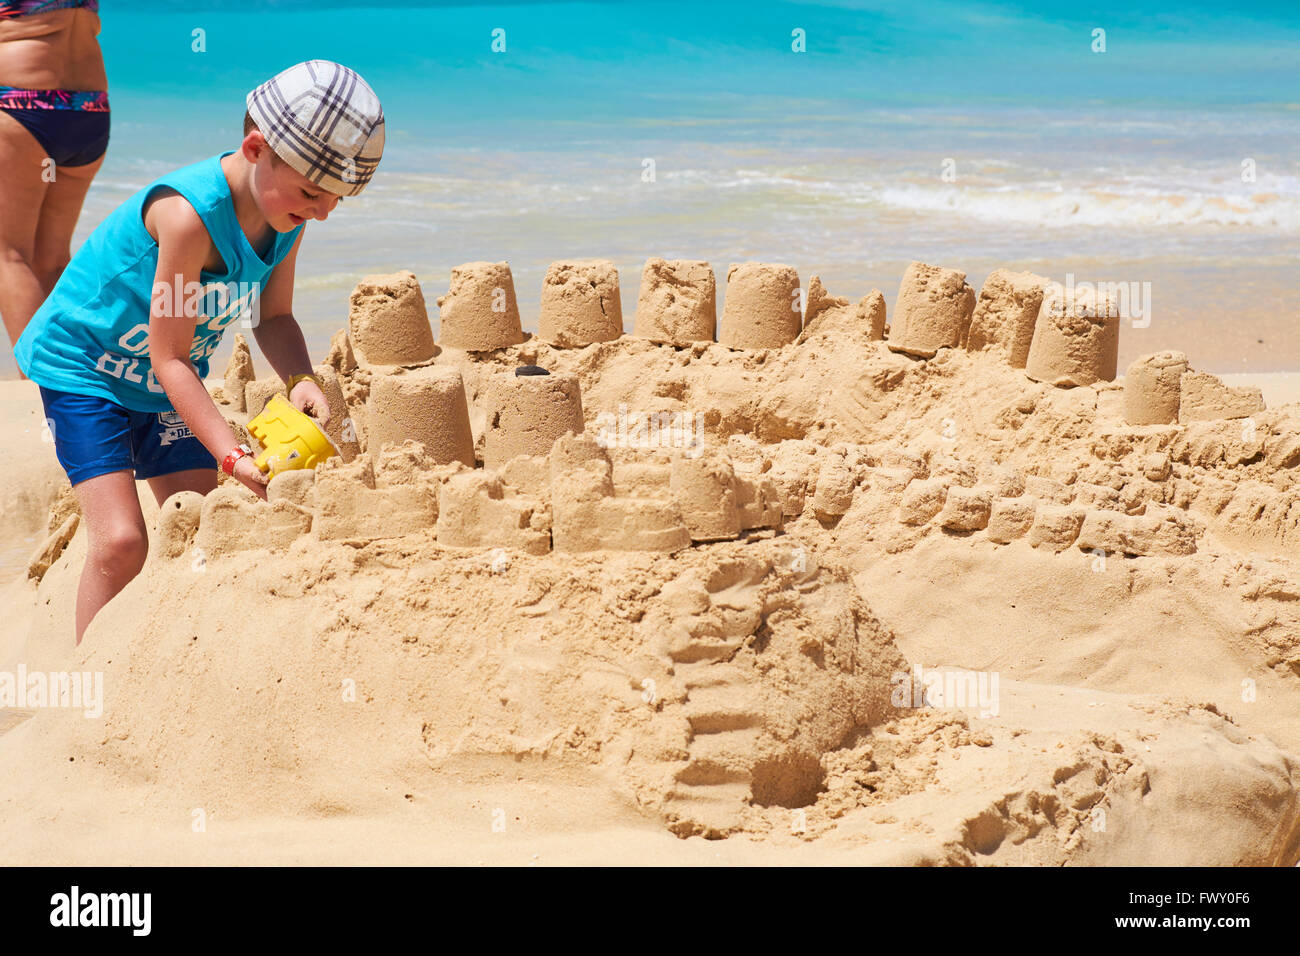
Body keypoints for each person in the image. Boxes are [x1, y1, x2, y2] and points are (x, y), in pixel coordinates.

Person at [13, 59, 385, 643]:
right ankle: (88, 681)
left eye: (336, 199)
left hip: (160, 384)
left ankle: (165, 653)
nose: (322, 211)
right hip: (87, 368)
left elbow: (276, 314)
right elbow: (171, 359)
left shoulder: (287, 215)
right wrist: (232, 455)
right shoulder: (189, 218)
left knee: (201, 516)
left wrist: (301, 380)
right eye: (314, 192)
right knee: (121, 541)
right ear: (257, 147)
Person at [0, 0, 110, 375]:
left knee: (8, 254)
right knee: (51, 259)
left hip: (20, 100)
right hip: (89, 108)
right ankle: (75, 381)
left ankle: (37, 383)